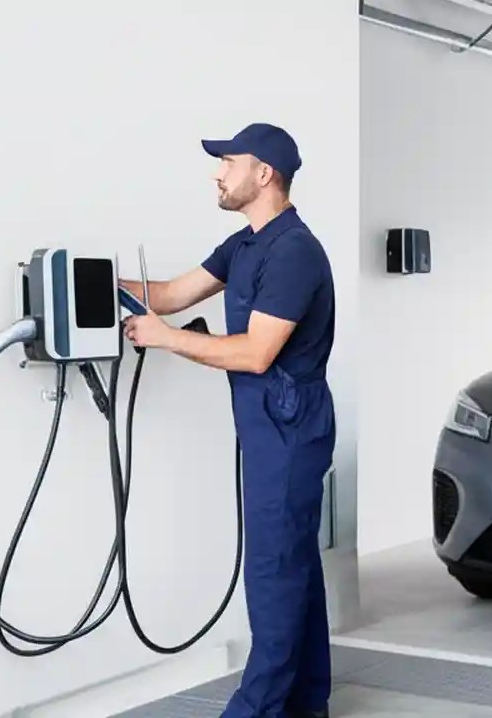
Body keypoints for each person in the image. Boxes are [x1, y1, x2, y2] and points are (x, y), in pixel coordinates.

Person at [122, 123, 335, 718]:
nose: (217, 173)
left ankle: (257, 707)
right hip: (266, 422)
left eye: (228, 162)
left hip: (291, 423)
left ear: (263, 173)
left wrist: (166, 342)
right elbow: (166, 294)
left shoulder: (294, 251)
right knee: (294, 562)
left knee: (273, 567)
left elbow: (255, 352)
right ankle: (305, 702)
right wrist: (92, 283)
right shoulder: (243, 246)